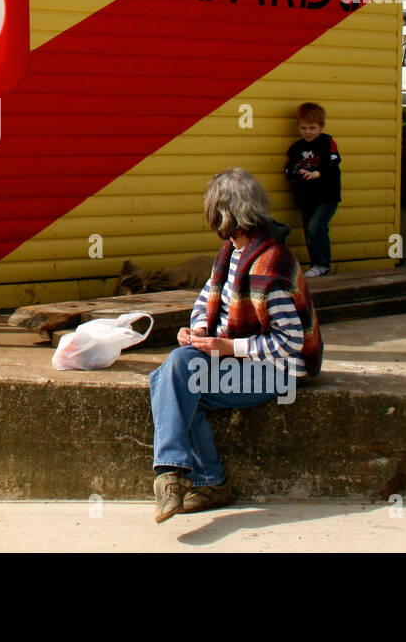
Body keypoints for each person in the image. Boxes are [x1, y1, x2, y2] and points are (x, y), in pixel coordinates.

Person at [148, 167, 323, 523]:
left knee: (172, 379)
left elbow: (289, 341)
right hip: (241, 363)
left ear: (221, 214)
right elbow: (206, 301)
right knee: (173, 377)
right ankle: (206, 481)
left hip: (278, 373)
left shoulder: (269, 267)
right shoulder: (231, 252)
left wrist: (229, 349)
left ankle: (173, 475)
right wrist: (196, 330)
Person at [284, 101, 342, 278]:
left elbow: (334, 161)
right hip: (305, 198)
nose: (308, 131)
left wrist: (318, 173)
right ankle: (316, 265)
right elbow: (287, 169)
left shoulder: (327, 142)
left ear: (321, 126)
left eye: (312, 127)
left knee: (317, 227)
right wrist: (297, 172)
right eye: (304, 127)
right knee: (309, 231)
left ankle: (323, 265)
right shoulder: (296, 148)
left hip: (327, 196)